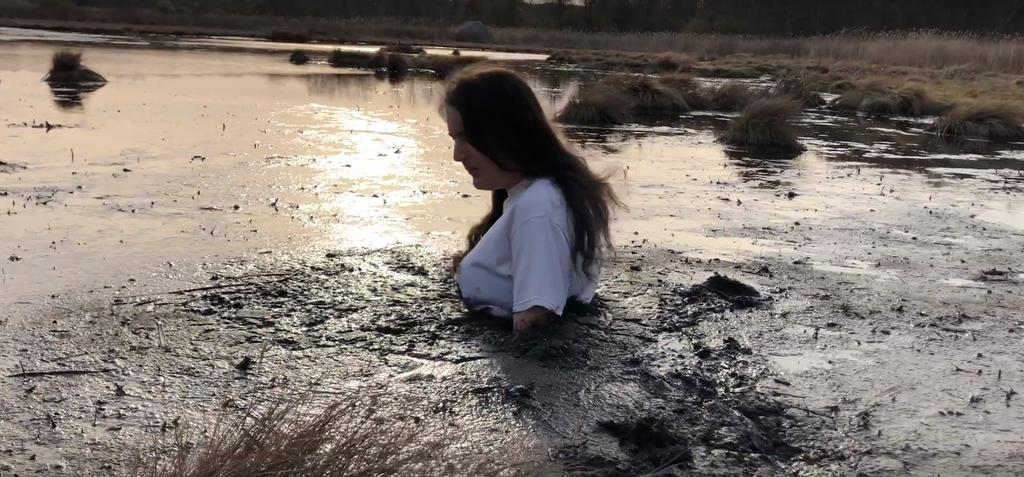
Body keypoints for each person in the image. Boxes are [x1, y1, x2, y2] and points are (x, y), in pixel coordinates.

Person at [442, 65, 621, 335]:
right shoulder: (545, 191)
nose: (457, 155)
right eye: (455, 139)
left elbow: (534, 326)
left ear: (505, 132)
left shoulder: (536, 210)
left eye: (467, 137)